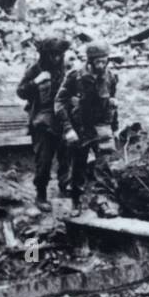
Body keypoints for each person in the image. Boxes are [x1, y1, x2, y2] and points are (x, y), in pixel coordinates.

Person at [55, 42, 119, 212]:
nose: (101, 65)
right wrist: (68, 128)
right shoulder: (75, 76)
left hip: (102, 126)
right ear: (89, 61)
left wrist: (114, 126)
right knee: (79, 165)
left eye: (104, 61)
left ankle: (102, 201)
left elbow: (112, 101)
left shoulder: (110, 77)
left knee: (103, 165)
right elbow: (59, 101)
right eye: (97, 62)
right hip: (81, 127)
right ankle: (76, 200)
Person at [17, 35, 72, 204]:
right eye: (52, 54)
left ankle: (65, 185)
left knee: (66, 155)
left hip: (63, 117)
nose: (56, 58)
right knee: (44, 159)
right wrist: (36, 82)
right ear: (45, 54)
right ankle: (41, 193)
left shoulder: (67, 69)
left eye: (59, 54)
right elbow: (21, 91)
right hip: (42, 119)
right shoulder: (35, 69)